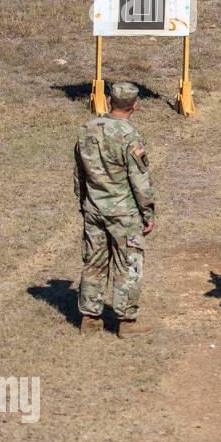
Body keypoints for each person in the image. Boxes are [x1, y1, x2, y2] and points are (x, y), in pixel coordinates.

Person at [74, 81, 156, 336]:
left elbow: (79, 174)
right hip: (124, 212)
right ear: (135, 105)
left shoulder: (86, 130)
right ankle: (126, 322)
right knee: (128, 264)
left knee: (94, 262)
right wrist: (148, 213)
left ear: (109, 100)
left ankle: (89, 319)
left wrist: (83, 202)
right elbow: (140, 181)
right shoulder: (130, 135)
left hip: (94, 208)